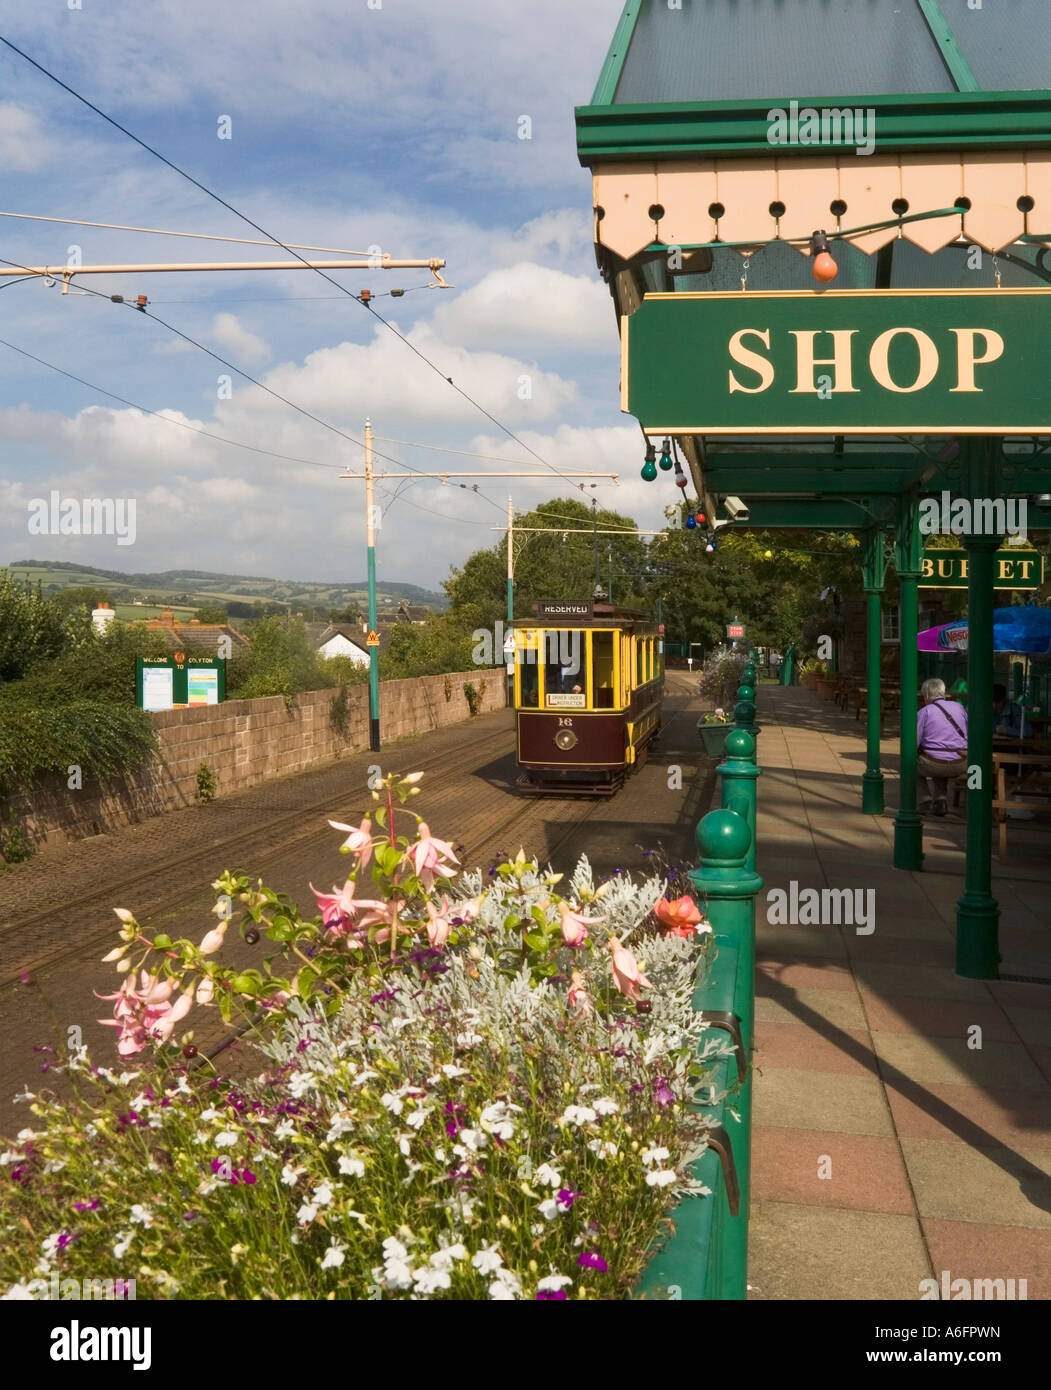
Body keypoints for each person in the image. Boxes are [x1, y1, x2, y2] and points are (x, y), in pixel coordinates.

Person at [917, 677, 968, 816]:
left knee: (911, 764)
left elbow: (914, 740)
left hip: (933, 764)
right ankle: (941, 799)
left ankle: (924, 799)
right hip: (961, 762)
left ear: (927, 695)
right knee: (942, 761)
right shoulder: (959, 707)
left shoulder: (924, 712)